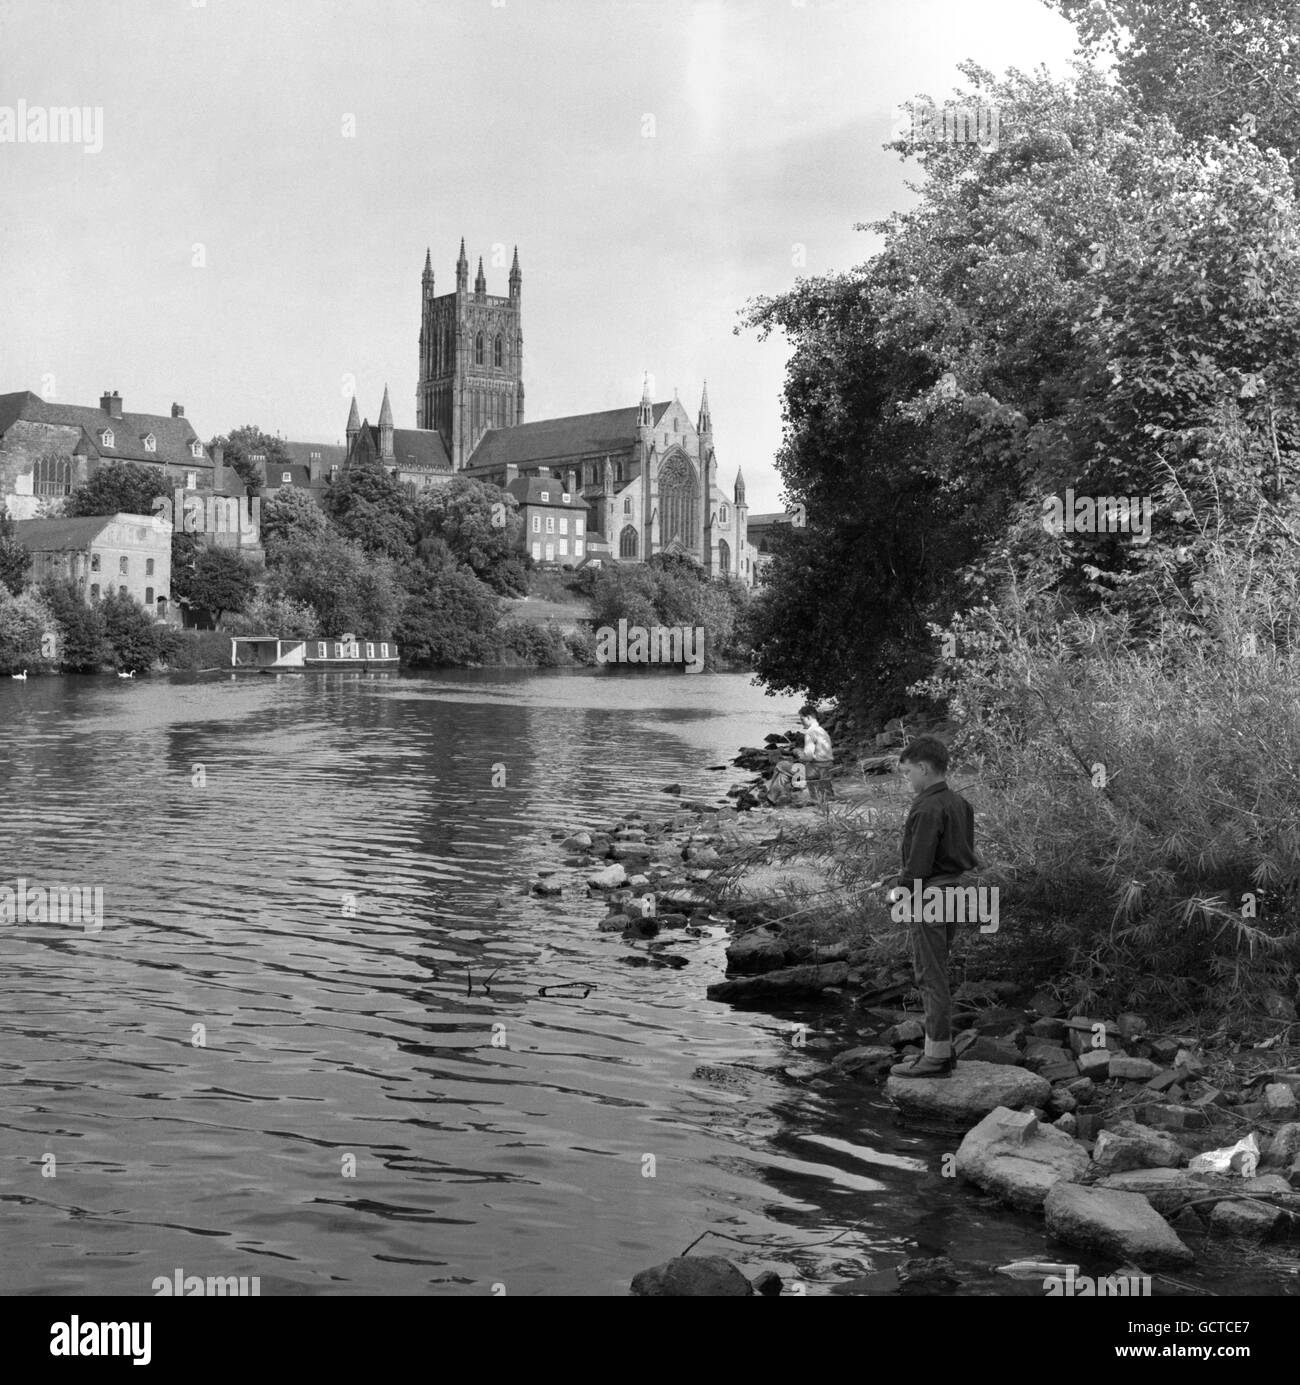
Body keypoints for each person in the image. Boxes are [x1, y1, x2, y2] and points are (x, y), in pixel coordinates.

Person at [887, 735, 980, 1079]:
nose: (907, 779)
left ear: (924, 768)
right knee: (939, 970)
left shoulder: (926, 807)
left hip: (929, 898)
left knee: (930, 976)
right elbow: (957, 856)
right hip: (954, 891)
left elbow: (920, 867)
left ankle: (937, 1056)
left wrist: (900, 890)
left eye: (908, 772)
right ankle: (945, 1050)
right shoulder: (961, 803)